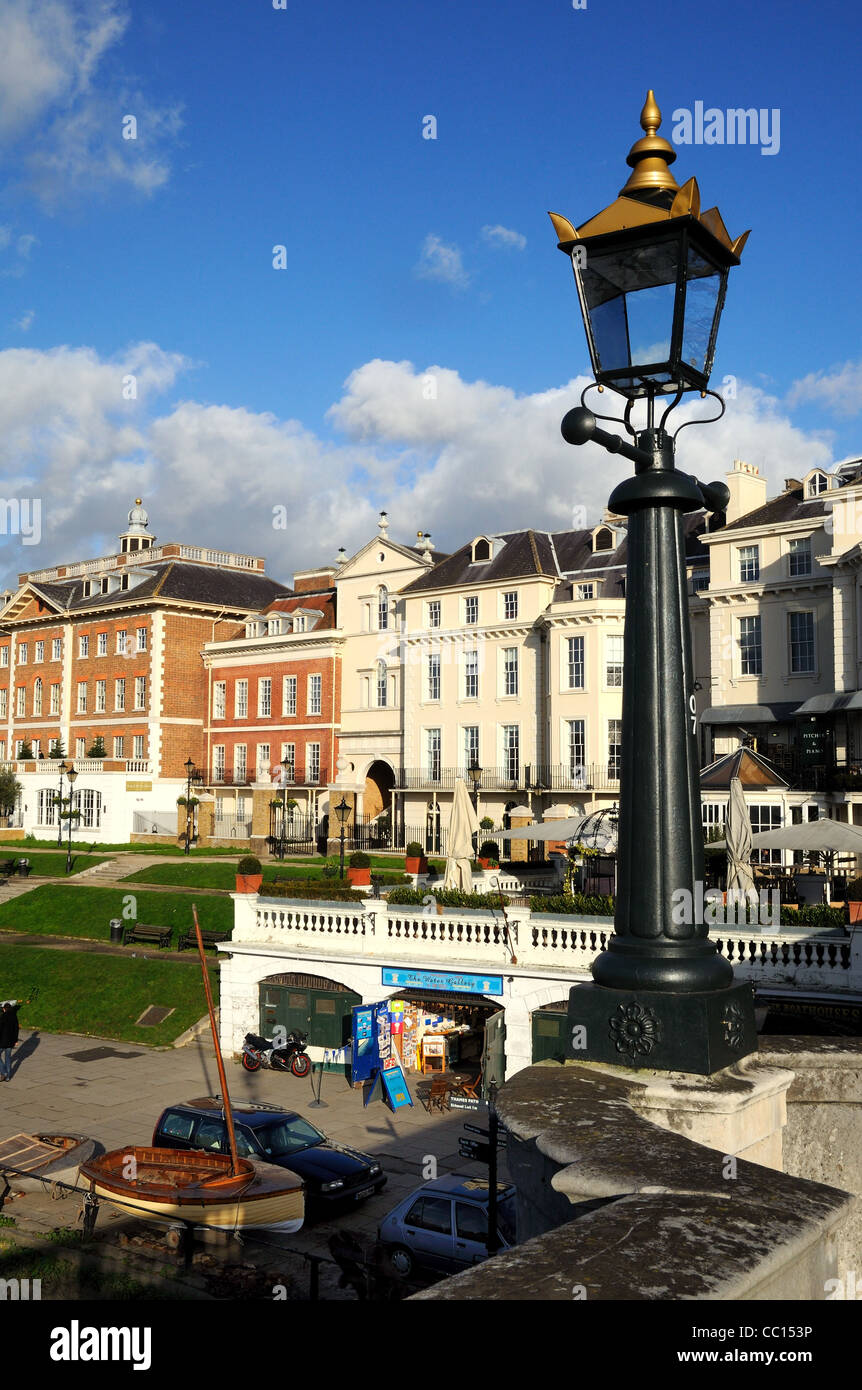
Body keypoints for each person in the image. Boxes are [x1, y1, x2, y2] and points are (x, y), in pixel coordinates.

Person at [0, 999, 22, 1082]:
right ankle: (8, 1077)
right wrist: (15, 1040)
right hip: (10, 1042)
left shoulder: (3, 1016)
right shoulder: (14, 1017)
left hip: (2, 1041)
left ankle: (4, 1072)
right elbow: (16, 1029)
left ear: (4, 1009)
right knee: (8, 1059)